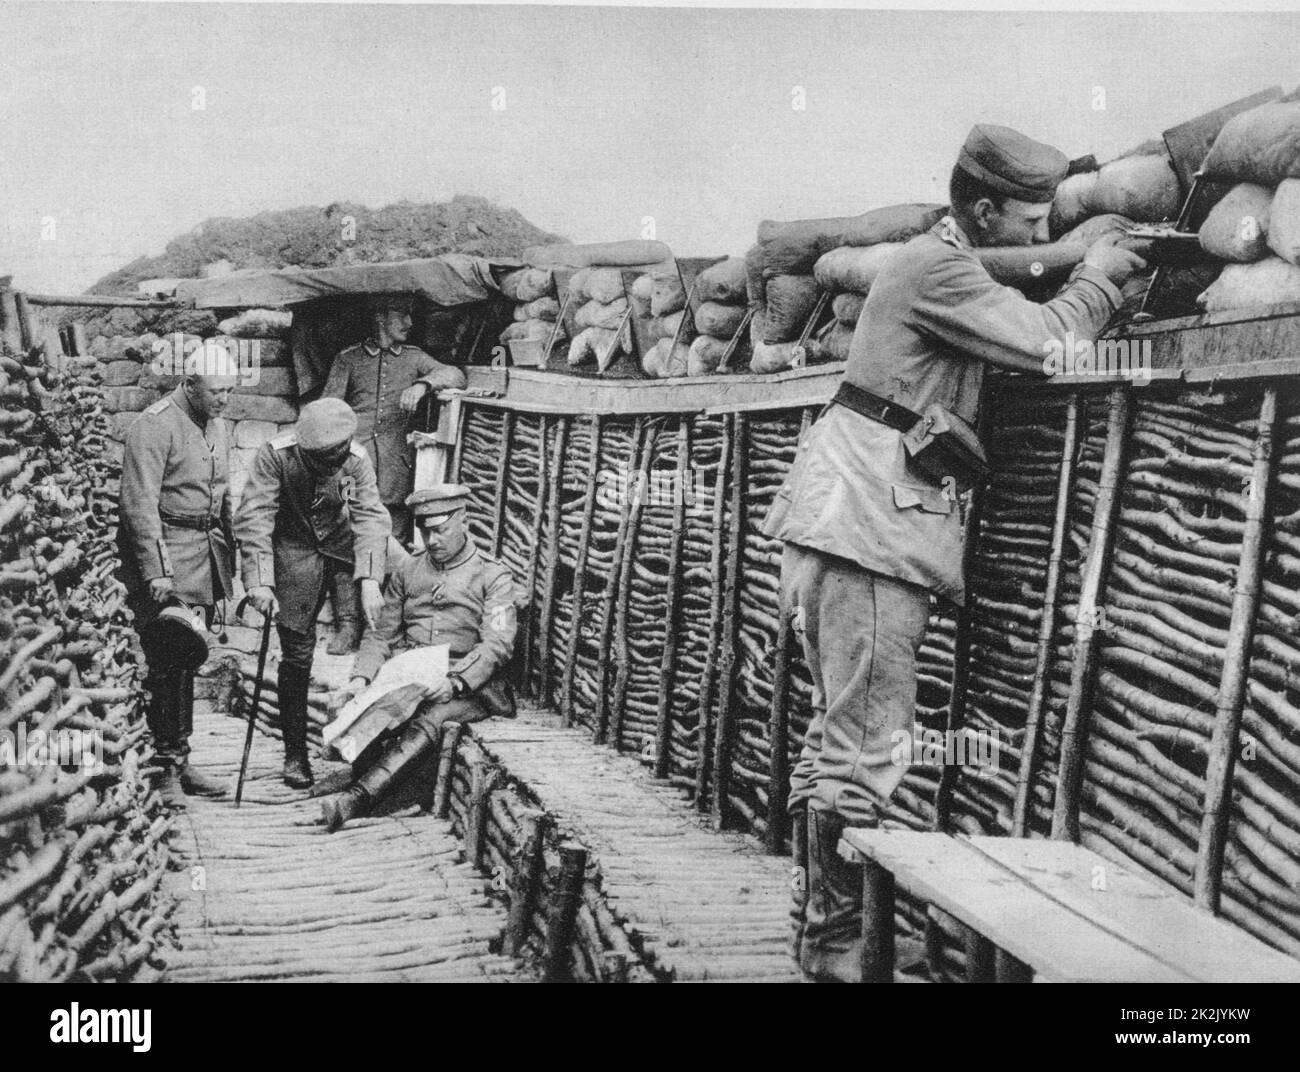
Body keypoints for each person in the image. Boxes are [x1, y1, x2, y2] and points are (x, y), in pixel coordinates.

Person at [762, 123, 1147, 983]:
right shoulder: (936, 267)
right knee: (862, 753)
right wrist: (1097, 279)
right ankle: (835, 952)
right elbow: (1053, 343)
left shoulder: (936, 262)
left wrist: (1057, 265)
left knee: (836, 739)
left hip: (845, 518)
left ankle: (817, 926)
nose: (1037, 236)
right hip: (870, 531)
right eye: (1028, 220)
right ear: (980, 209)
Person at [320, 484, 519, 833]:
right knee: (371, 702)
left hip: (468, 686)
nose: (432, 540)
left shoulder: (493, 576)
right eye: (425, 530)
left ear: (464, 521)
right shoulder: (408, 572)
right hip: (413, 674)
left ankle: (357, 798)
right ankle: (361, 776)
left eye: (440, 529)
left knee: (431, 719)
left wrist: (456, 681)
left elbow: (497, 644)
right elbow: (382, 634)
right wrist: (360, 678)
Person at [236, 398, 391, 789]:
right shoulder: (276, 456)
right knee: (297, 653)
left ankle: (360, 752)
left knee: (368, 638)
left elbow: (370, 515)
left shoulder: (355, 459)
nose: (332, 466)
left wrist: (369, 576)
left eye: (336, 458)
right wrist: (260, 580)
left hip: (342, 549)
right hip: (294, 553)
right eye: (322, 461)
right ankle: (295, 753)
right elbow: (256, 516)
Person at [117, 344, 240, 806]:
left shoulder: (218, 426)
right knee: (165, 664)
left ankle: (181, 758)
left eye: (230, 391)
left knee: (187, 661)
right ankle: (162, 766)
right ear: (190, 384)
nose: (224, 400)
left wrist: (232, 559)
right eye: (216, 391)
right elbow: (139, 503)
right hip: (167, 561)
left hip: (204, 557)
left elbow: (222, 493)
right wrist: (156, 572)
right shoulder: (155, 424)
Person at [322, 295, 467, 554]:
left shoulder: (414, 358)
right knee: (347, 528)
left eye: (410, 315)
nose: (409, 322)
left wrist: (424, 385)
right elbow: (326, 411)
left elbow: (456, 375)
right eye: (402, 315)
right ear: (380, 317)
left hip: (396, 467)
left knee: (394, 538)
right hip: (352, 466)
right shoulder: (348, 359)